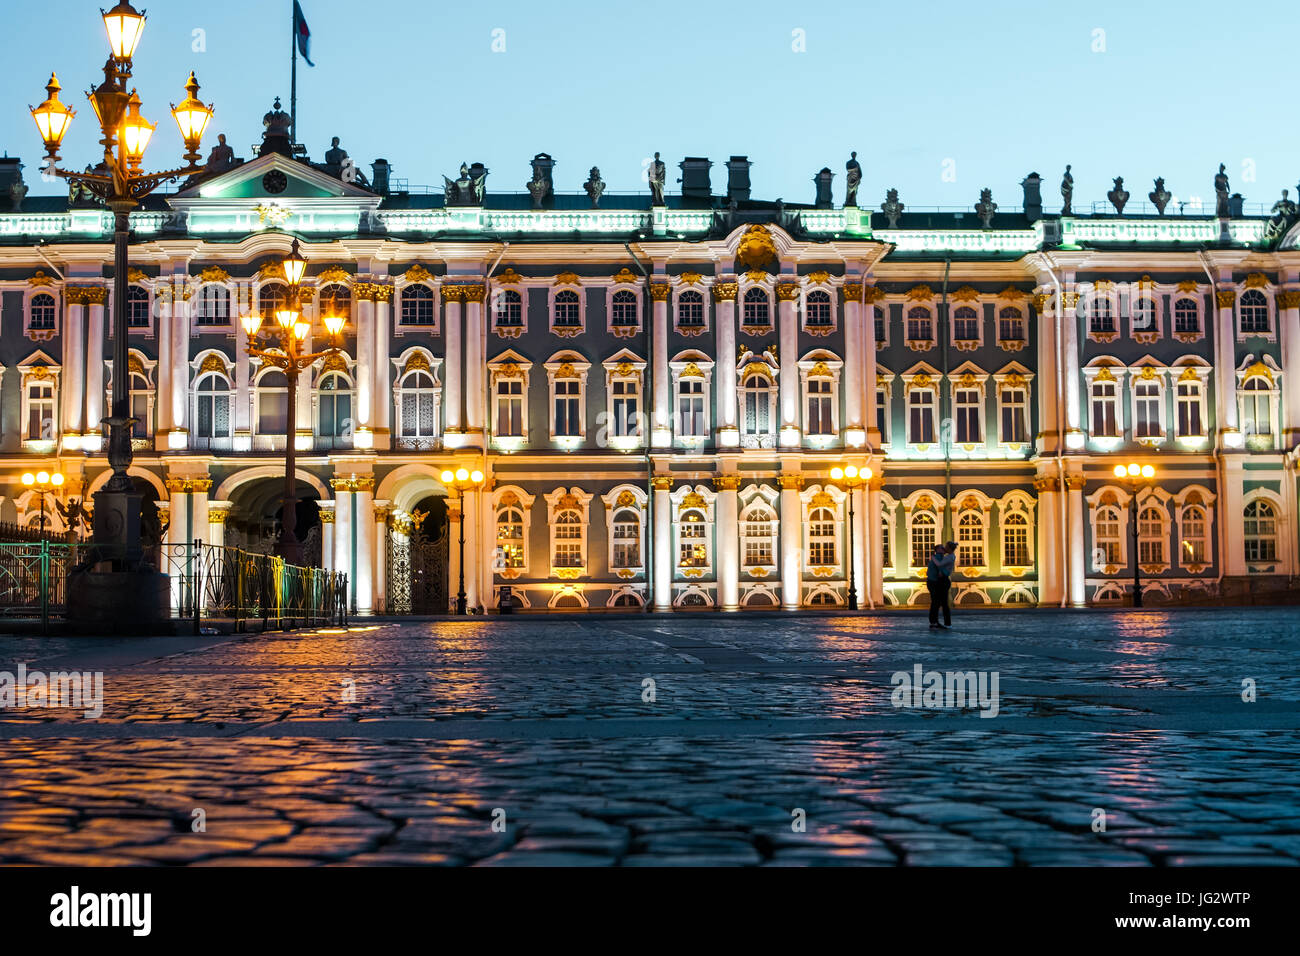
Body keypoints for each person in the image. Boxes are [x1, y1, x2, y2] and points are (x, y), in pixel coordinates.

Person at [926, 541, 957, 629]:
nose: (943, 548)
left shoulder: (944, 557)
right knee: (939, 602)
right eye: (941, 547)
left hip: (938, 581)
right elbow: (938, 567)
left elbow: (939, 567)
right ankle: (938, 622)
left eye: (945, 547)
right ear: (937, 550)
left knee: (937, 602)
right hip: (936, 582)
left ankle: (935, 622)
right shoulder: (940, 557)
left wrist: (942, 572)